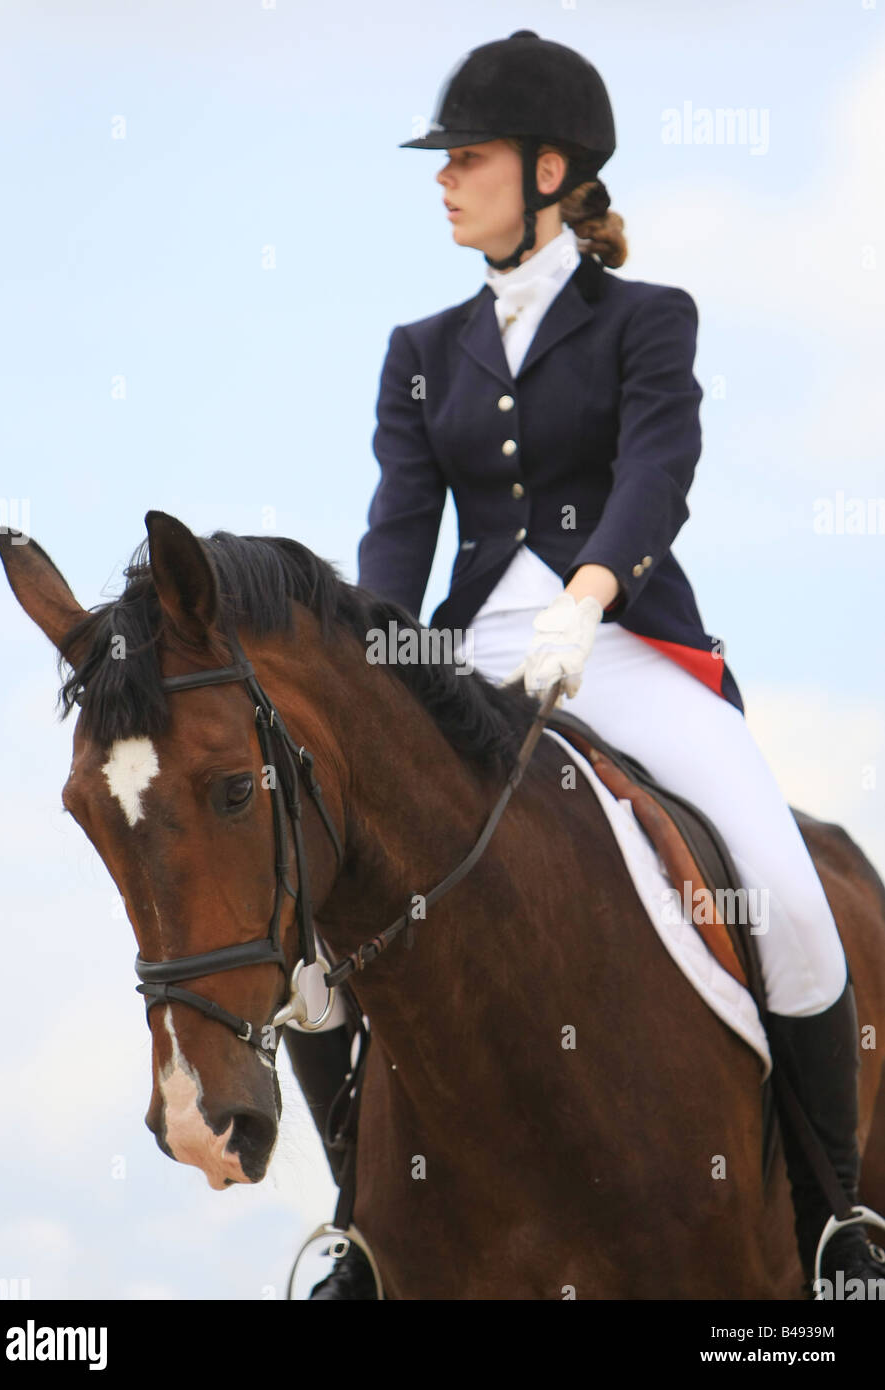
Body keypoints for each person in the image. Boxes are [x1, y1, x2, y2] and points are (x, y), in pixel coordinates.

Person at [284, 29, 885, 1300]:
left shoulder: (646, 322)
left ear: (549, 170)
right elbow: (397, 532)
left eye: (469, 156)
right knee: (315, 936)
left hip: (616, 643)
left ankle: (836, 1223)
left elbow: (656, 473)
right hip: (465, 669)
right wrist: (375, 669)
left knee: (778, 885)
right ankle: (355, 1224)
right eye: (444, 158)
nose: (443, 178)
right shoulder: (418, 348)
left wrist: (590, 592)